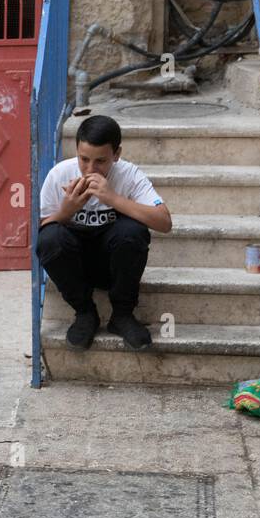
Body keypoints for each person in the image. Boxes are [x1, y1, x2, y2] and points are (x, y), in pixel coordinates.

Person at [36, 114, 172, 350]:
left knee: (132, 230)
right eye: (84, 159)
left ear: (116, 155)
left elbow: (164, 222)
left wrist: (113, 198)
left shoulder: (128, 174)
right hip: (76, 268)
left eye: (101, 161)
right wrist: (67, 211)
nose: (90, 169)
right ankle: (85, 313)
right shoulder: (59, 174)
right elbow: (38, 235)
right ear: (76, 151)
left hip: (112, 267)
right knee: (51, 237)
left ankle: (122, 315)